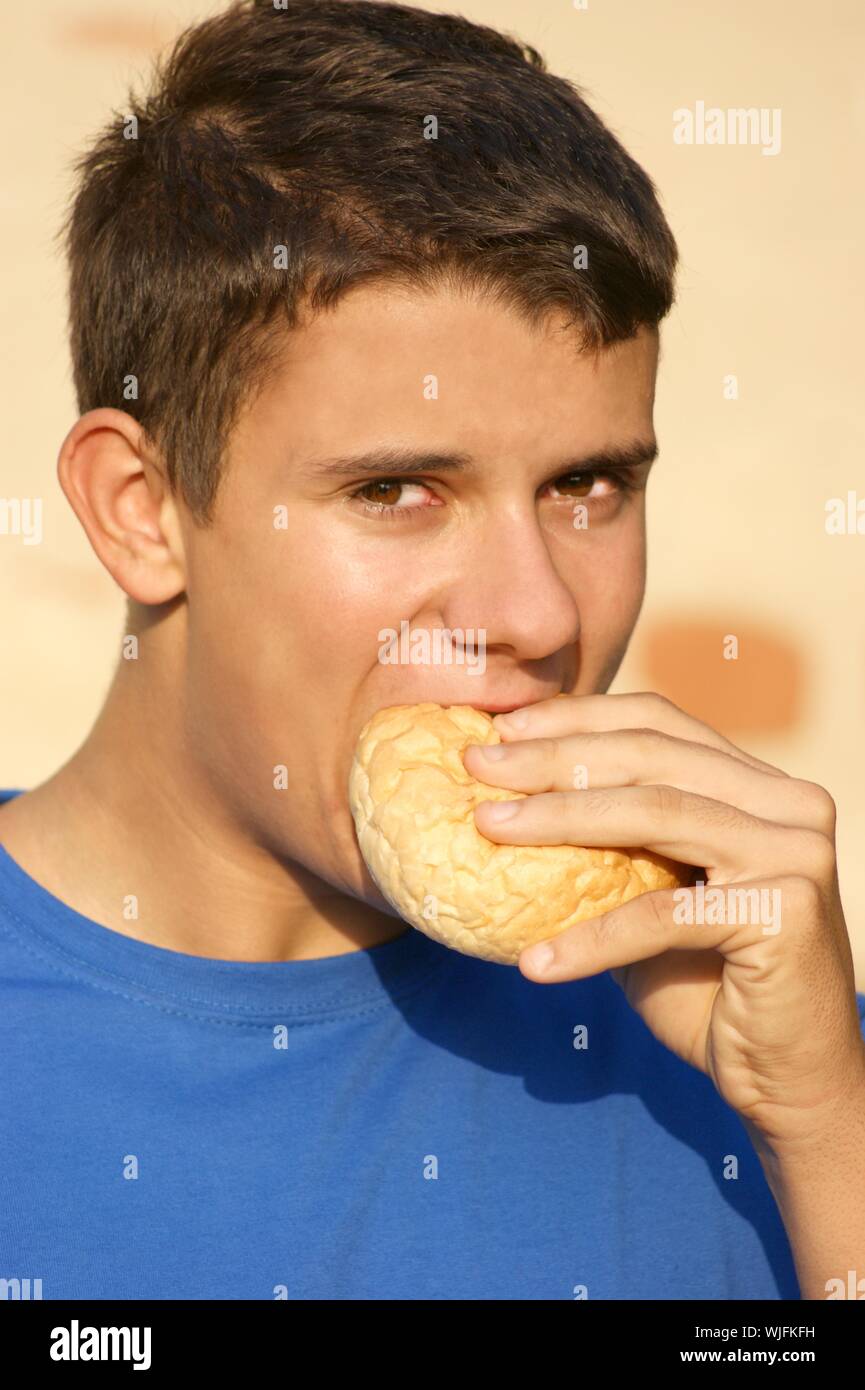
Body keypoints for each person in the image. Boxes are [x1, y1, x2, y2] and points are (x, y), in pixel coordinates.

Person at [1, 0, 862, 1302]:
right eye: (398, 490)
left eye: (586, 485)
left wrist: (818, 1124)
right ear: (143, 510)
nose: (538, 614)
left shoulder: (753, 1042)